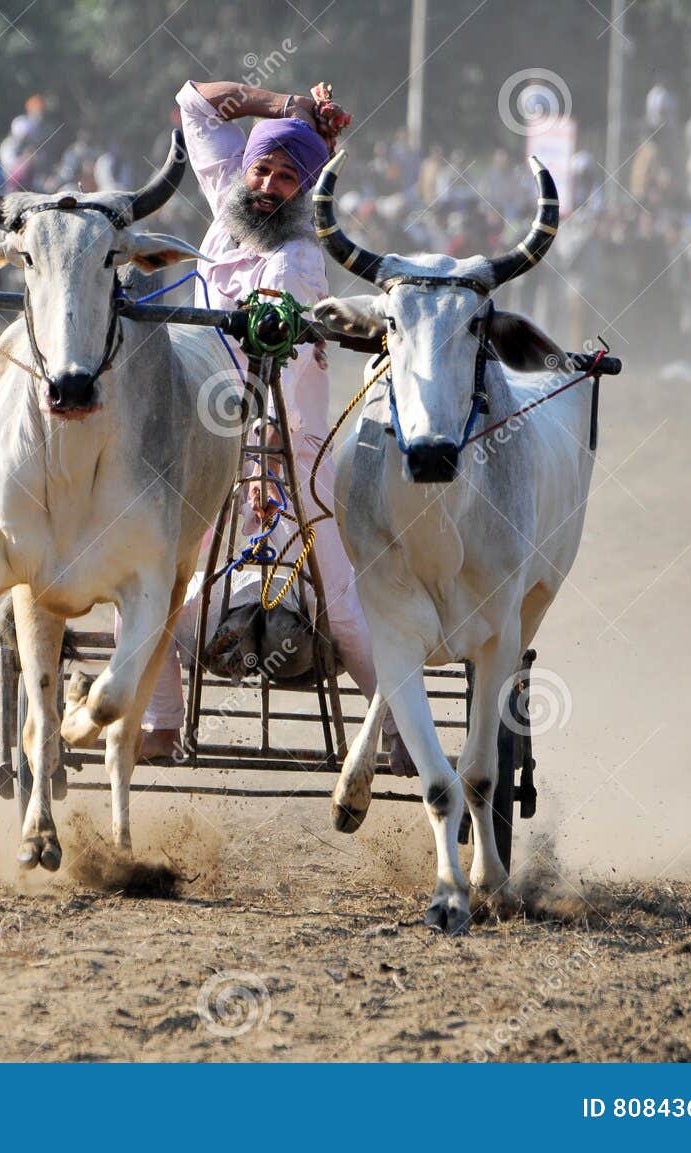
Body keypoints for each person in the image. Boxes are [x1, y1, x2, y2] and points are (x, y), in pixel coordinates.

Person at [131, 77, 388, 765]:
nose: (269, 186)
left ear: (304, 191)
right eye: (262, 170)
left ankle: (397, 735)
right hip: (201, 441)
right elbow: (193, 102)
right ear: (245, 170)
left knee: (340, 603)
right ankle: (161, 723)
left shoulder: (296, 258)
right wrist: (281, 106)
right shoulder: (229, 201)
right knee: (152, 582)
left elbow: (275, 365)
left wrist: (262, 469)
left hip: (287, 448)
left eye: (286, 178)